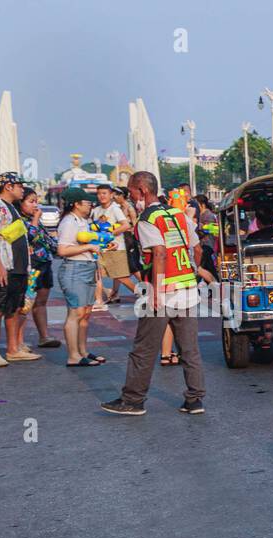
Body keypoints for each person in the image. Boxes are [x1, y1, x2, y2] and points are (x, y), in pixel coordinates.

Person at [100, 171, 206, 415]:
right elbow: (197, 249)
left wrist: (156, 291)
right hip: (187, 290)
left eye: (131, 191)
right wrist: (193, 273)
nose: (130, 196)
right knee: (189, 349)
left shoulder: (147, 219)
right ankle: (195, 400)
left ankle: (133, 400)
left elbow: (158, 252)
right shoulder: (178, 215)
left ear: (142, 191)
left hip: (162, 292)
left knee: (144, 349)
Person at [0, 173, 37, 367]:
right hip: (3, 265)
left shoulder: (12, 208)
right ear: (8, 186)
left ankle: (13, 349)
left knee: (14, 307)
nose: (22, 189)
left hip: (19, 266)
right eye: (20, 186)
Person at [53, 187, 104, 367]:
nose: (90, 205)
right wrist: (88, 248)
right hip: (75, 270)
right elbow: (63, 250)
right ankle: (73, 355)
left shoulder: (82, 220)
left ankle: (83, 351)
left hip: (86, 267)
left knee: (86, 313)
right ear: (76, 204)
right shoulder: (69, 222)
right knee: (76, 313)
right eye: (87, 202)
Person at [17, 188, 61, 350]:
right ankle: (18, 342)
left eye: (36, 201)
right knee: (25, 304)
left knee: (41, 302)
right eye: (31, 201)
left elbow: (47, 240)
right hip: (30, 265)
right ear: (20, 203)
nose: (35, 205)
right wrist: (36, 219)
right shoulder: (19, 219)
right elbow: (30, 236)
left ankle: (44, 336)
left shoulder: (35, 218)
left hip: (44, 263)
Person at [92, 184, 138, 304]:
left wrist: (110, 234)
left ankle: (143, 294)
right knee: (97, 275)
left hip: (116, 248)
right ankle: (110, 295)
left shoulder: (115, 209)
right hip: (101, 248)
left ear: (111, 195)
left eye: (104, 193)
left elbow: (126, 225)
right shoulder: (96, 210)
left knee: (121, 277)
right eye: (99, 193)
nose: (101, 196)